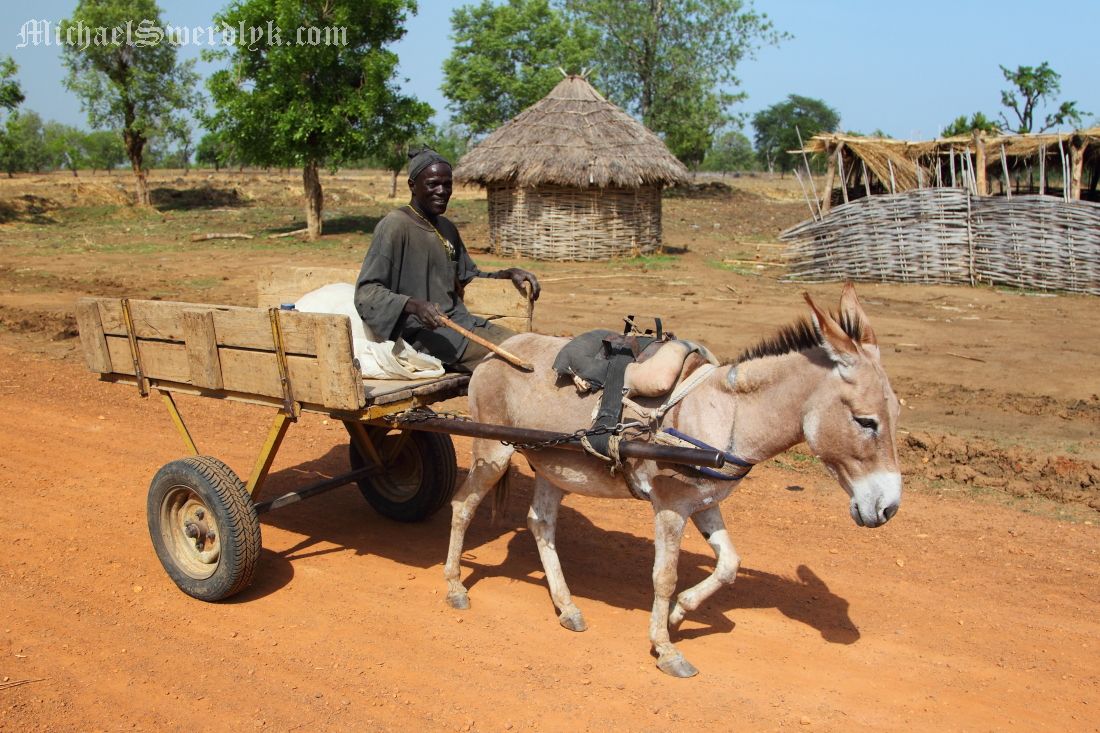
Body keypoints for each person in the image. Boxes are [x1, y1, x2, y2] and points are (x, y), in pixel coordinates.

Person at [354, 148, 540, 372]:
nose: (442, 191)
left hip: (462, 324)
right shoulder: (394, 226)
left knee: (526, 345)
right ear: (412, 186)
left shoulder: (446, 228)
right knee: (513, 360)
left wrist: (506, 274)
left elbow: (467, 275)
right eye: (432, 184)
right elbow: (367, 293)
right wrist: (413, 305)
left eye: (447, 184)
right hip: (421, 336)